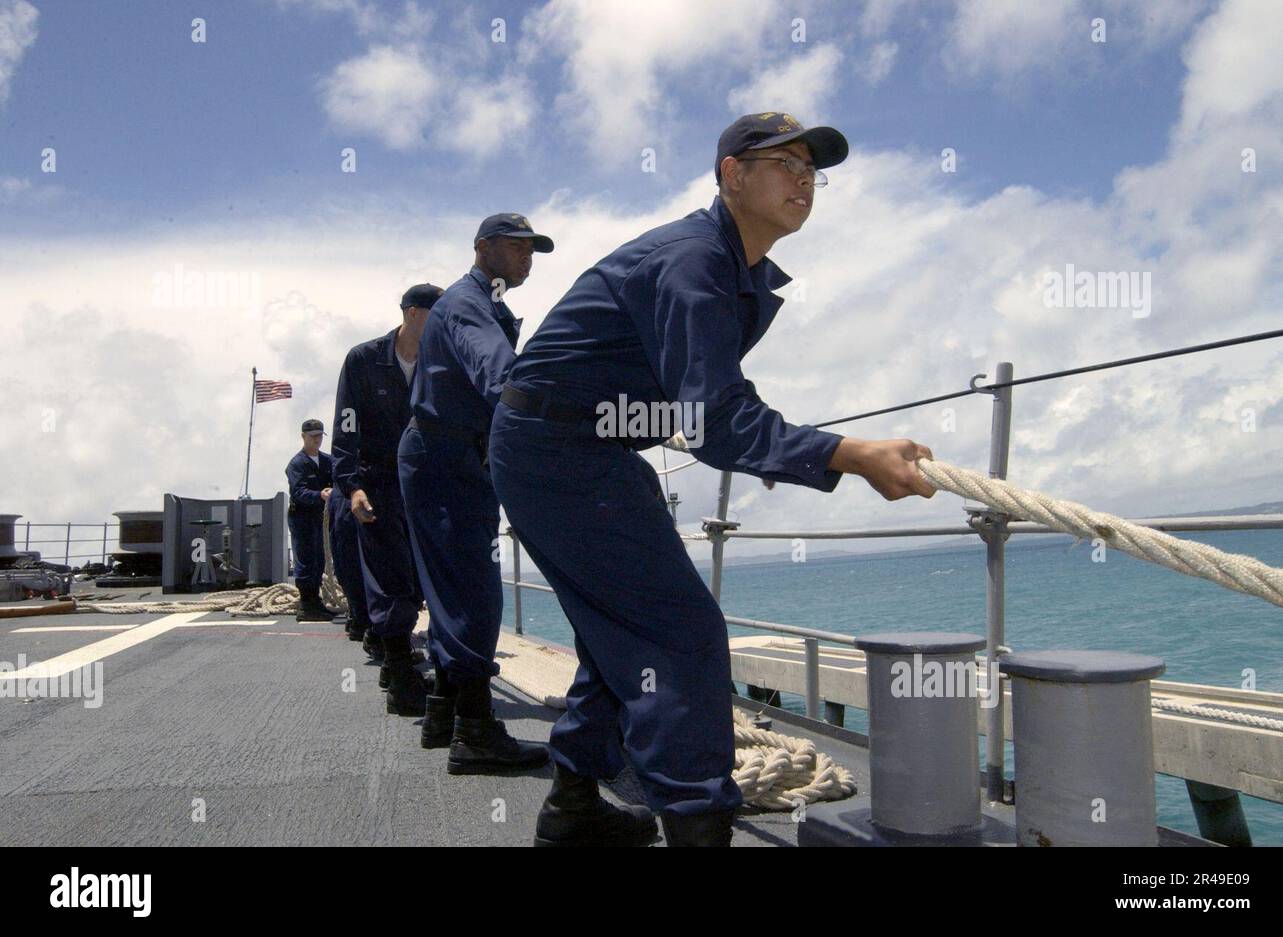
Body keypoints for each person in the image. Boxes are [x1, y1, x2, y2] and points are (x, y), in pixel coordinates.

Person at [489, 112, 938, 846]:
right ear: (732, 175)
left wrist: (775, 448)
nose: (803, 180)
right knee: (681, 633)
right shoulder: (696, 262)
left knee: (622, 629)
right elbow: (717, 422)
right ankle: (698, 825)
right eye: (783, 164)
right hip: (557, 448)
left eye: (810, 170)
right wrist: (846, 453)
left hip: (585, 443)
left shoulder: (736, 267)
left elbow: (706, 402)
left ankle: (572, 807)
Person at [398, 214, 552, 771]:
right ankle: (477, 734)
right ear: (482, 247)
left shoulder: (484, 301)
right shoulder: (469, 304)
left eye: (533, 248)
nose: (526, 255)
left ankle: (445, 712)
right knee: (475, 591)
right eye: (516, 246)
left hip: (445, 454)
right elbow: (499, 373)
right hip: (448, 458)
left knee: (451, 588)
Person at [333, 283, 444, 715]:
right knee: (388, 578)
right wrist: (352, 487)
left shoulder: (442, 363)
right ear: (414, 313)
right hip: (375, 483)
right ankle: (400, 679)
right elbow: (345, 430)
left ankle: (394, 660)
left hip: (424, 484)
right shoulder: (363, 360)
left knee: (419, 580)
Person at [285, 419, 338, 623]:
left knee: (319, 560)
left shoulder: (327, 461)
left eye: (319, 436)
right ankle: (307, 606)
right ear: (303, 436)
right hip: (302, 519)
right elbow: (298, 492)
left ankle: (314, 603)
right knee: (306, 560)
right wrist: (320, 495)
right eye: (312, 436)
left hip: (320, 517)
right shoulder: (297, 464)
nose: (316, 440)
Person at [327, 484, 368, 641]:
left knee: (346, 562)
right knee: (353, 563)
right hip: (357, 496)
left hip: (343, 497)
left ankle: (357, 616)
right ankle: (362, 619)